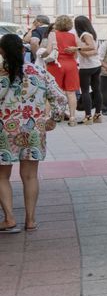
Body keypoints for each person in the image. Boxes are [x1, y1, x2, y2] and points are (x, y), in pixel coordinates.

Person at [0, 33, 68, 233]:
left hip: (4, 129)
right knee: (30, 176)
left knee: (2, 176)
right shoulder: (39, 71)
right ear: (23, 50)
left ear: (1, 52)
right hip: (34, 129)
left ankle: (9, 218)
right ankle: (30, 220)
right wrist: (53, 119)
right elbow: (60, 98)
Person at [46, 15, 80, 122]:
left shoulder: (52, 34)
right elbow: (76, 52)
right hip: (71, 64)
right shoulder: (74, 36)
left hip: (56, 64)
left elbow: (48, 51)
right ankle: (72, 116)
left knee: (52, 91)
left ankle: (47, 116)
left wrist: (42, 56)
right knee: (71, 92)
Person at [74, 15, 103, 124]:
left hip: (86, 67)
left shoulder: (84, 35)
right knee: (97, 90)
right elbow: (94, 50)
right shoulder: (93, 34)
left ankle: (88, 116)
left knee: (85, 91)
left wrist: (78, 48)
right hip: (96, 65)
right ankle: (98, 114)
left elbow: (90, 47)